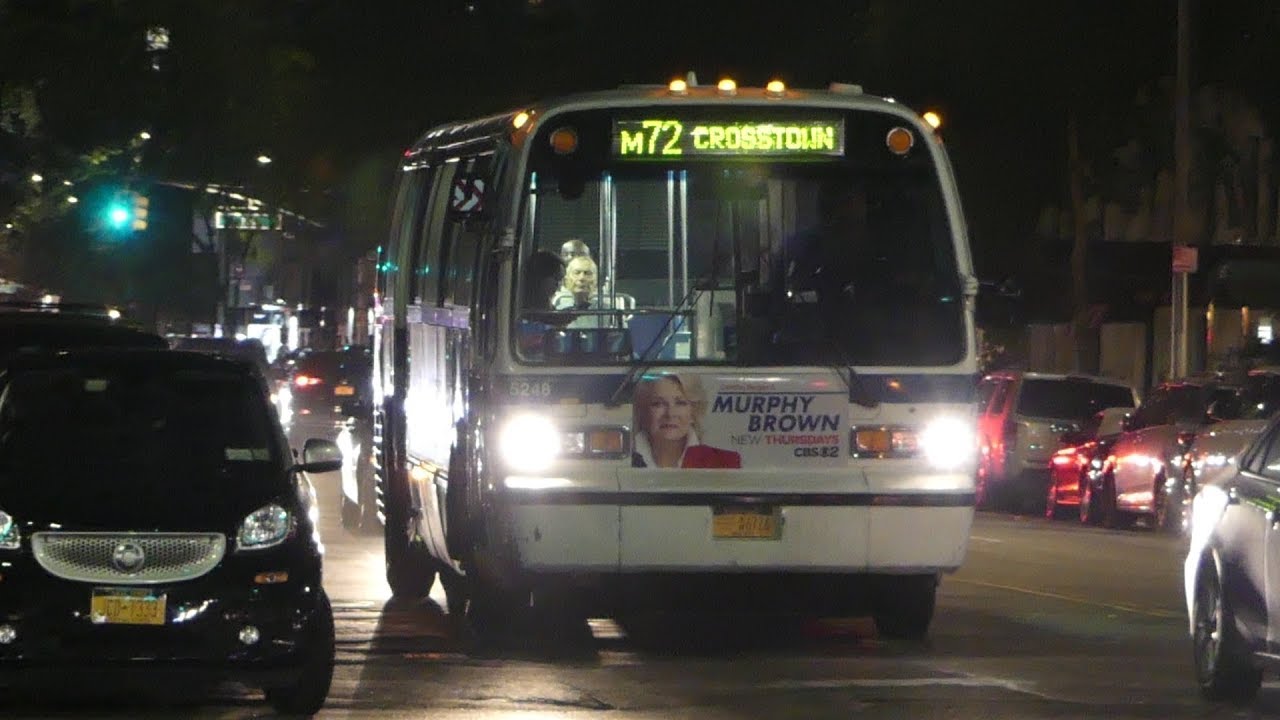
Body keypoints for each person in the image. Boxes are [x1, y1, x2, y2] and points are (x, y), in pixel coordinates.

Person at [631, 373, 741, 469]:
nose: (670, 414)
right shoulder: (625, 459)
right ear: (643, 411)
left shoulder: (725, 462)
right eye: (658, 404)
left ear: (694, 411)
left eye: (680, 403)